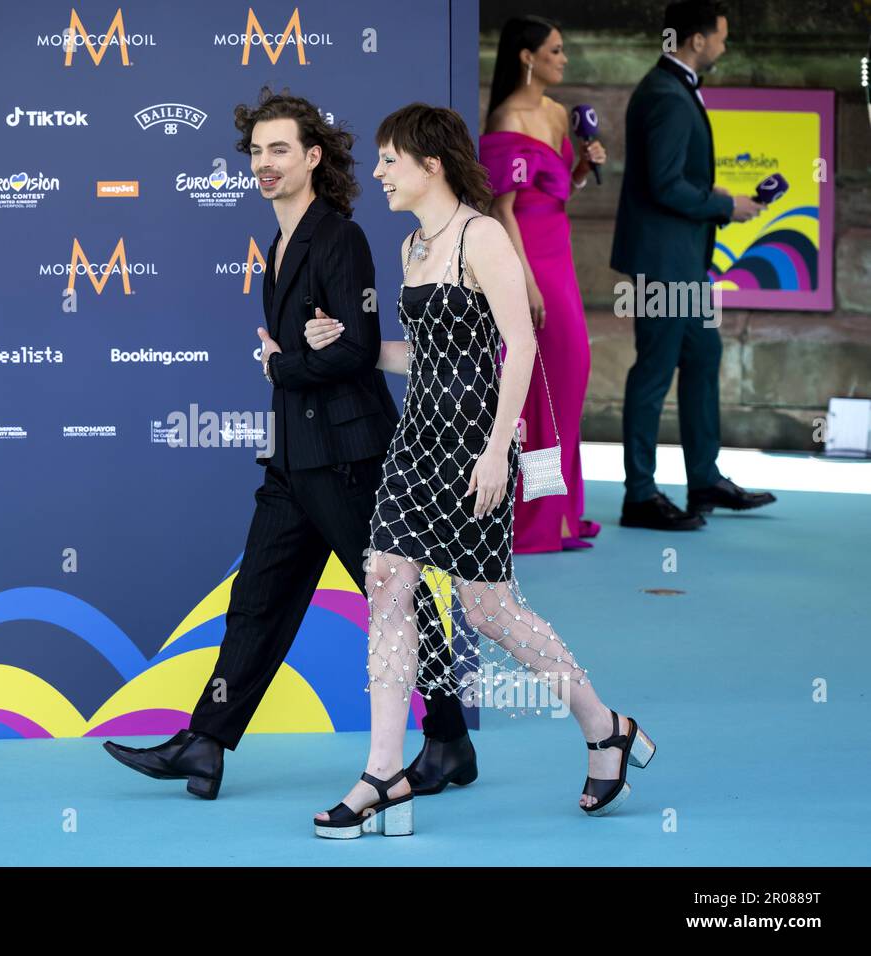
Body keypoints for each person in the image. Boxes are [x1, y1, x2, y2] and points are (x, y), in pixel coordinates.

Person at [103, 88, 478, 801]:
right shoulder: (278, 244)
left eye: (280, 149)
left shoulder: (339, 237)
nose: (264, 163)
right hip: (293, 459)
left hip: (347, 455)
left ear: (313, 157)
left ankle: (450, 737)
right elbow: (319, 348)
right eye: (256, 150)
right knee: (256, 599)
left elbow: (360, 348)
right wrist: (296, 362)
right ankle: (206, 743)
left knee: (394, 597)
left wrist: (283, 365)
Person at [303, 103, 655, 838]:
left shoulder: (482, 234)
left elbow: (518, 348)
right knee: (387, 580)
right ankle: (382, 773)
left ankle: (604, 725)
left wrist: (498, 451)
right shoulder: (411, 247)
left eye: (390, 159)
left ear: (431, 162)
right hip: (417, 441)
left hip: (473, 443)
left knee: (489, 609)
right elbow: (422, 358)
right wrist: (354, 348)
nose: (379, 173)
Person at [611, 0, 777, 529]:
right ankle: (639, 495)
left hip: (681, 262)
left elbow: (671, 181)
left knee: (704, 355)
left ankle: (704, 479)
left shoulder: (669, 87)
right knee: (654, 372)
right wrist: (726, 204)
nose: (725, 46)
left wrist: (718, 201)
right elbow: (664, 185)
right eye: (721, 37)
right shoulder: (666, 94)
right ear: (697, 40)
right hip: (664, 265)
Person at [483, 15, 605, 552]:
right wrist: (525, 282)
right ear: (527, 56)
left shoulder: (558, 114)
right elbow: (502, 209)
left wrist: (581, 167)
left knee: (570, 376)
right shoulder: (506, 119)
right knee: (540, 391)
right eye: (555, 50)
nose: (564, 59)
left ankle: (558, 510)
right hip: (529, 259)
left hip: (561, 255)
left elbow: (561, 192)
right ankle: (533, 516)